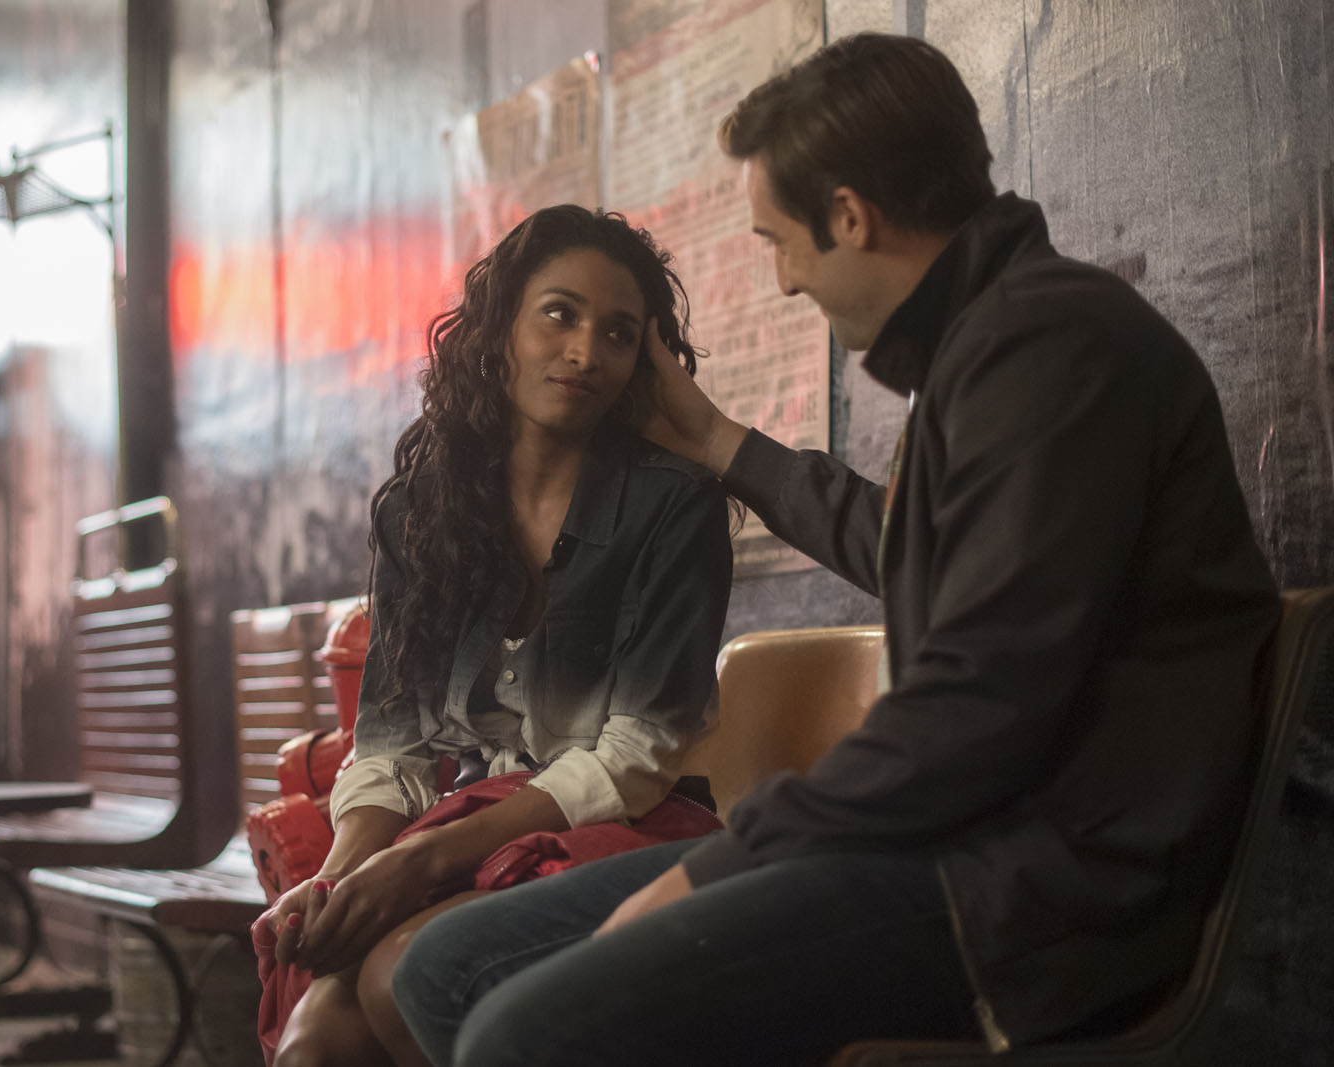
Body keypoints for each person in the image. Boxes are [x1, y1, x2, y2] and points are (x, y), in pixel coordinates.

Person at [390, 32, 1280, 1066]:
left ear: (850, 215)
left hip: (1036, 890)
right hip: (958, 849)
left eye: (778, 240)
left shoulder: (1047, 351)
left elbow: (973, 707)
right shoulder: (993, 347)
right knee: (442, 968)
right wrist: (718, 442)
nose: (778, 281)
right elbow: (917, 552)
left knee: (519, 1027)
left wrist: (717, 868)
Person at [256, 204, 734, 1067]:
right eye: (560, 313)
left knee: (400, 977)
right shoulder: (421, 510)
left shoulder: (673, 505)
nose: (586, 351)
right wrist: (341, 874)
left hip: (625, 823)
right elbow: (391, 744)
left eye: (619, 333)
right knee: (311, 1046)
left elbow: (636, 757)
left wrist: (426, 857)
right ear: (500, 324)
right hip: (467, 827)